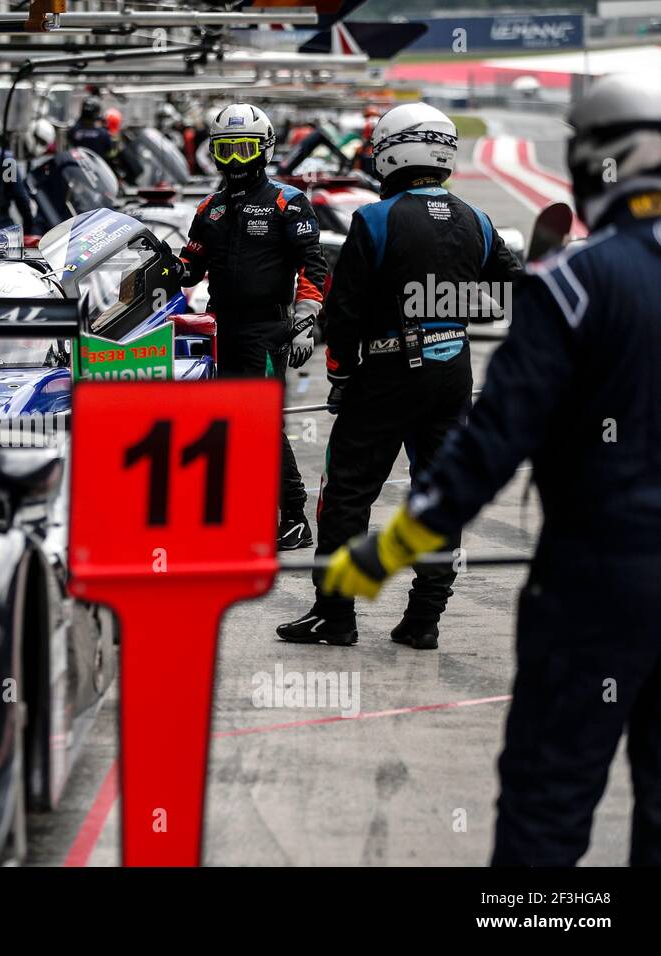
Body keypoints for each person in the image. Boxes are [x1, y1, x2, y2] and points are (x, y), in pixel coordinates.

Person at [321, 74, 661, 865]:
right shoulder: (520, 256)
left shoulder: (573, 287)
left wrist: (384, 552)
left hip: (596, 585)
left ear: (586, 164)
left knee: (550, 800)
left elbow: (485, 453)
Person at [276, 102, 523, 649]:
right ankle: (424, 619)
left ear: (390, 151)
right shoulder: (476, 219)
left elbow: (344, 315)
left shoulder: (376, 218)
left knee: (345, 493)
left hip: (387, 373)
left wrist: (340, 376)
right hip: (453, 370)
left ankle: (335, 616)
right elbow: (517, 286)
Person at [171, 103, 327, 551]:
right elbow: (190, 267)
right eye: (226, 150)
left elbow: (313, 266)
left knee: (260, 424)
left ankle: (294, 518)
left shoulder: (288, 201)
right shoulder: (209, 208)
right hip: (217, 331)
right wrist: (161, 266)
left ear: (264, 149)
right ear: (214, 153)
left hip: (267, 331)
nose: (235, 160)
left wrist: (305, 321)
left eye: (244, 149)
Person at [68, 96, 119, 168]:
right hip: (99, 170)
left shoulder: (73, 131)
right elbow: (111, 153)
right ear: (97, 113)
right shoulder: (103, 134)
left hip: (77, 169)